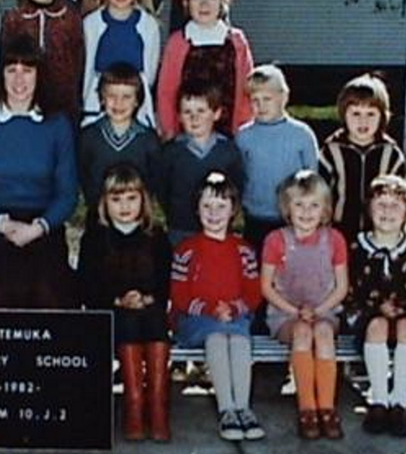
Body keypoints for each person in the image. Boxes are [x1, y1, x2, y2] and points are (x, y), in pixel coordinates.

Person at [0, 37, 79, 308]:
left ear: (39, 75)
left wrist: (39, 227)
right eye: (12, 70)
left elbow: (67, 194)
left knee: (48, 292)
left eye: (27, 70)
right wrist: (1, 223)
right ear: (1, 74)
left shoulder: (57, 124)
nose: (19, 80)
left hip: (41, 226)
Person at [76, 164, 172, 442]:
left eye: (131, 198)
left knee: (154, 321)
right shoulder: (95, 238)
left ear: (143, 200)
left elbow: (166, 279)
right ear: (104, 203)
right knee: (128, 322)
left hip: (148, 308)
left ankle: (157, 405)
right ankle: (134, 404)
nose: (125, 206)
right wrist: (117, 299)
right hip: (111, 311)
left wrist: (149, 298)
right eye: (116, 199)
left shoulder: (156, 236)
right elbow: (86, 284)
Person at [169, 172, 264, 442]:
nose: (214, 213)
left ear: (233, 210)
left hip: (234, 317)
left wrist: (232, 309)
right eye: (207, 206)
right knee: (217, 338)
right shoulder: (186, 250)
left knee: (239, 340)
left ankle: (243, 408)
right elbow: (179, 295)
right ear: (197, 210)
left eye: (221, 206)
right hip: (195, 321)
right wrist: (211, 309)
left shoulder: (244, 250)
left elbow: (253, 293)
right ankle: (227, 410)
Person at [348, 175, 406, 438]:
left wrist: (404, 308)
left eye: (395, 206)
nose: (387, 212)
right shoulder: (358, 248)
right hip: (370, 318)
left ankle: (399, 402)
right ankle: (379, 401)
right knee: (377, 326)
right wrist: (377, 306)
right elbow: (351, 289)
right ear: (369, 209)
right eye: (381, 205)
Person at [260, 170, 349, 441]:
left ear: (325, 209)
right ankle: (307, 408)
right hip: (285, 314)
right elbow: (266, 287)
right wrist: (295, 312)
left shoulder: (334, 240)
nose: (306, 212)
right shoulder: (276, 240)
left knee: (322, 333)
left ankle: (327, 408)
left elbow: (341, 287)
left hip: (324, 311)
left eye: (314, 205)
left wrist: (318, 311)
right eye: (299, 204)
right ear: (287, 208)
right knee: (302, 332)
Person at [155, 0, 253, 141]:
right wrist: (169, 130)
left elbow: (247, 89)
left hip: (229, 135)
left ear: (222, 3)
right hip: (186, 135)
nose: (204, 5)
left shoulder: (236, 42)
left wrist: (243, 129)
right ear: (186, 3)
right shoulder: (178, 42)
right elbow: (166, 92)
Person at [234, 64, 319, 252]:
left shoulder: (302, 134)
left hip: (292, 217)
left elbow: (313, 178)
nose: (261, 105)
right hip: (255, 215)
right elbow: (239, 175)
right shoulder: (244, 136)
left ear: (284, 97)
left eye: (267, 99)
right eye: (255, 100)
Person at [319, 73, 406, 243]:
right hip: (339, 231)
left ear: (382, 116)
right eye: (356, 114)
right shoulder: (331, 151)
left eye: (371, 114)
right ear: (344, 114)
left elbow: (401, 198)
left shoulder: (391, 154)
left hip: (379, 232)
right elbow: (320, 194)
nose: (363, 121)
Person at [1, 0, 84, 123]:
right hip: (24, 103)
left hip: (64, 105)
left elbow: (80, 60)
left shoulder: (71, 17)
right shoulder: (14, 19)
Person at [80, 0, 160, 128]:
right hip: (97, 107)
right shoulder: (91, 23)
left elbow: (149, 74)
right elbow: (86, 70)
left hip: (136, 109)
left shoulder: (148, 25)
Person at [157, 79, 244, 245]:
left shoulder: (228, 151)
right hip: (180, 229)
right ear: (179, 116)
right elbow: (162, 189)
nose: (194, 118)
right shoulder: (170, 152)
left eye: (201, 111)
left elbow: (237, 188)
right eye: (187, 112)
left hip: (218, 227)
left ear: (216, 113)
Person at [76, 64, 160, 220]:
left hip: (136, 219)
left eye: (126, 97)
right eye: (111, 96)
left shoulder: (148, 139)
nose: (118, 103)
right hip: (98, 219)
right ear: (102, 98)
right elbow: (83, 176)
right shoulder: (89, 136)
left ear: (137, 100)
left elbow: (153, 180)